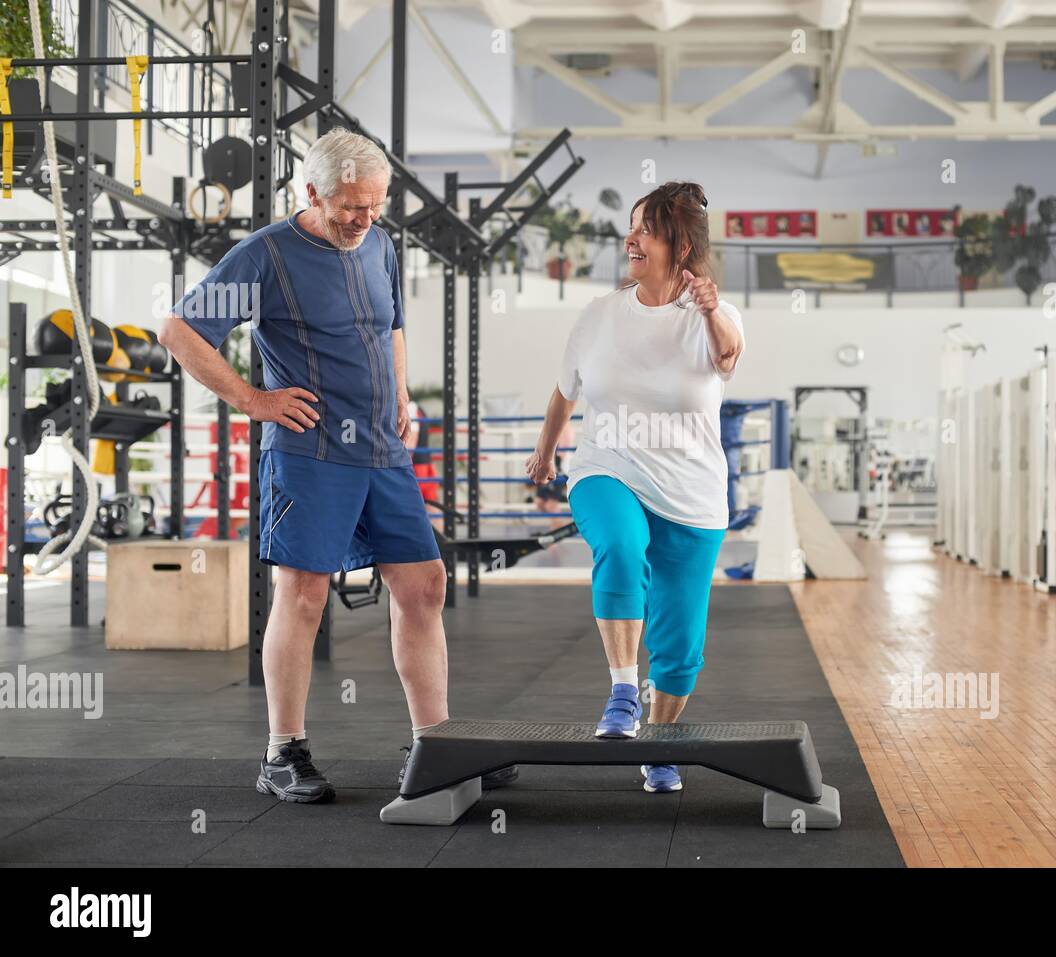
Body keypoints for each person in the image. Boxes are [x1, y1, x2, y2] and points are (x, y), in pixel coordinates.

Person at [160, 127, 514, 803]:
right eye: (351, 206)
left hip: (384, 449)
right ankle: (282, 751)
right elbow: (179, 330)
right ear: (312, 192)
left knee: (425, 584)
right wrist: (252, 399)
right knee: (305, 595)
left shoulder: (379, 242)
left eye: (374, 205)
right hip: (310, 453)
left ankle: (434, 742)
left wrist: (402, 390)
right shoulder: (265, 255)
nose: (364, 218)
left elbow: (393, 326)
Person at [525, 181, 744, 794]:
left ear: (681, 245)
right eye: (633, 227)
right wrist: (546, 451)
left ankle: (659, 740)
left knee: (680, 649)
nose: (632, 239)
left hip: (693, 498)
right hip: (607, 469)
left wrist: (707, 309)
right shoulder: (598, 315)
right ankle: (623, 689)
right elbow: (566, 390)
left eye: (647, 229)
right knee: (620, 547)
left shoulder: (716, 318)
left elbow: (727, 358)